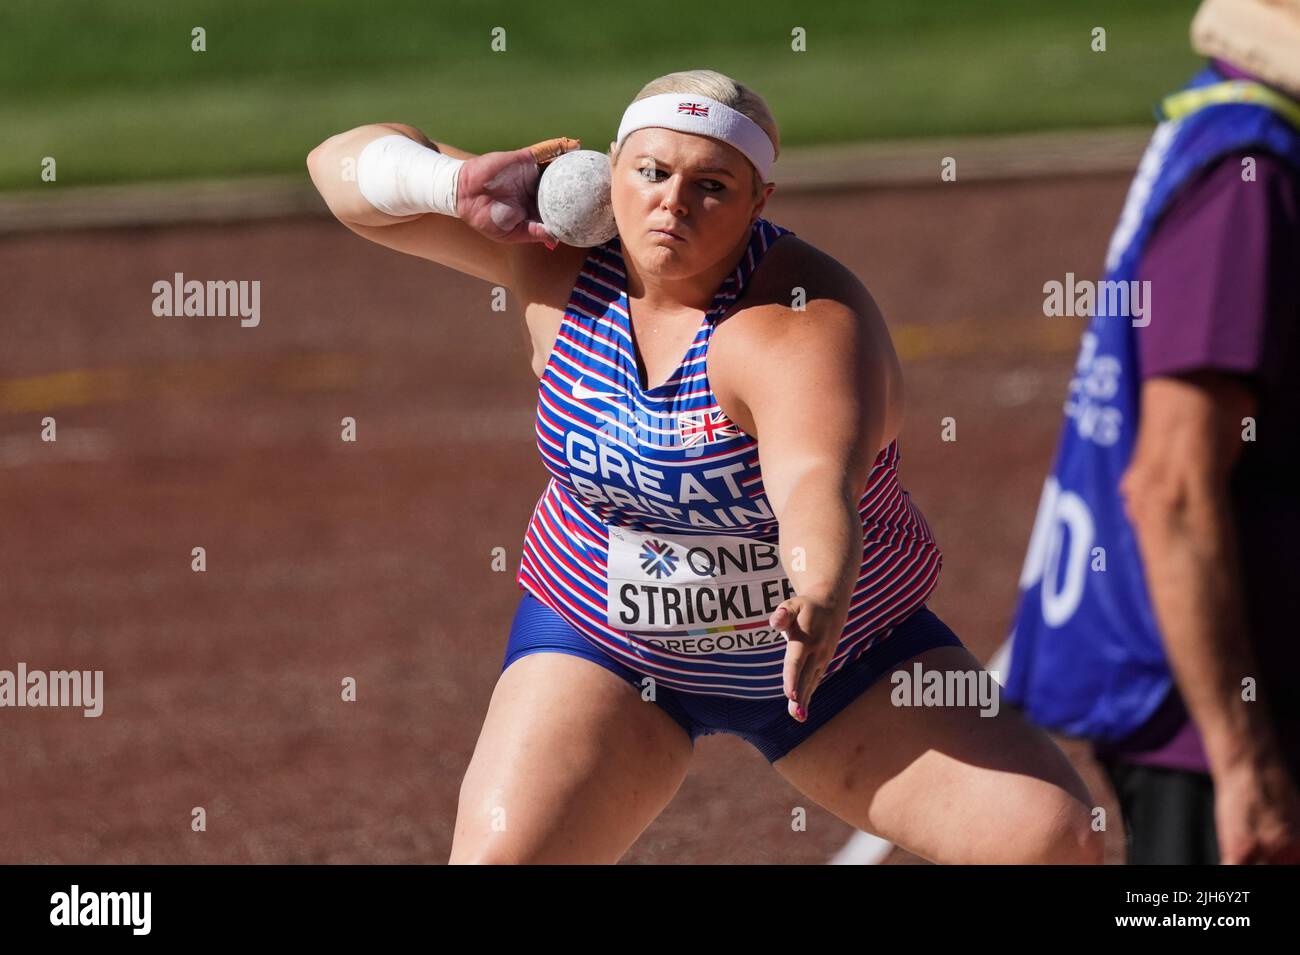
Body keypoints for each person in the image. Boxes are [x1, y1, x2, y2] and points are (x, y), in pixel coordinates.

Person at [308, 68, 1102, 865]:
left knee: (1049, 842)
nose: (672, 203)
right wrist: (454, 185)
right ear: (609, 169)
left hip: (833, 660)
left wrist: (818, 586)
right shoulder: (553, 259)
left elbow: (811, 480)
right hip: (606, 646)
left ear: (761, 200)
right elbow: (336, 171)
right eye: (650, 172)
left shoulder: (792, 323)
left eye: (711, 185)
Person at [1004, 0, 1300, 864]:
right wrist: (1242, 756)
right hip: (1206, 719)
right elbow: (1169, 485)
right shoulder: (1252, 172)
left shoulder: (1230, 121)